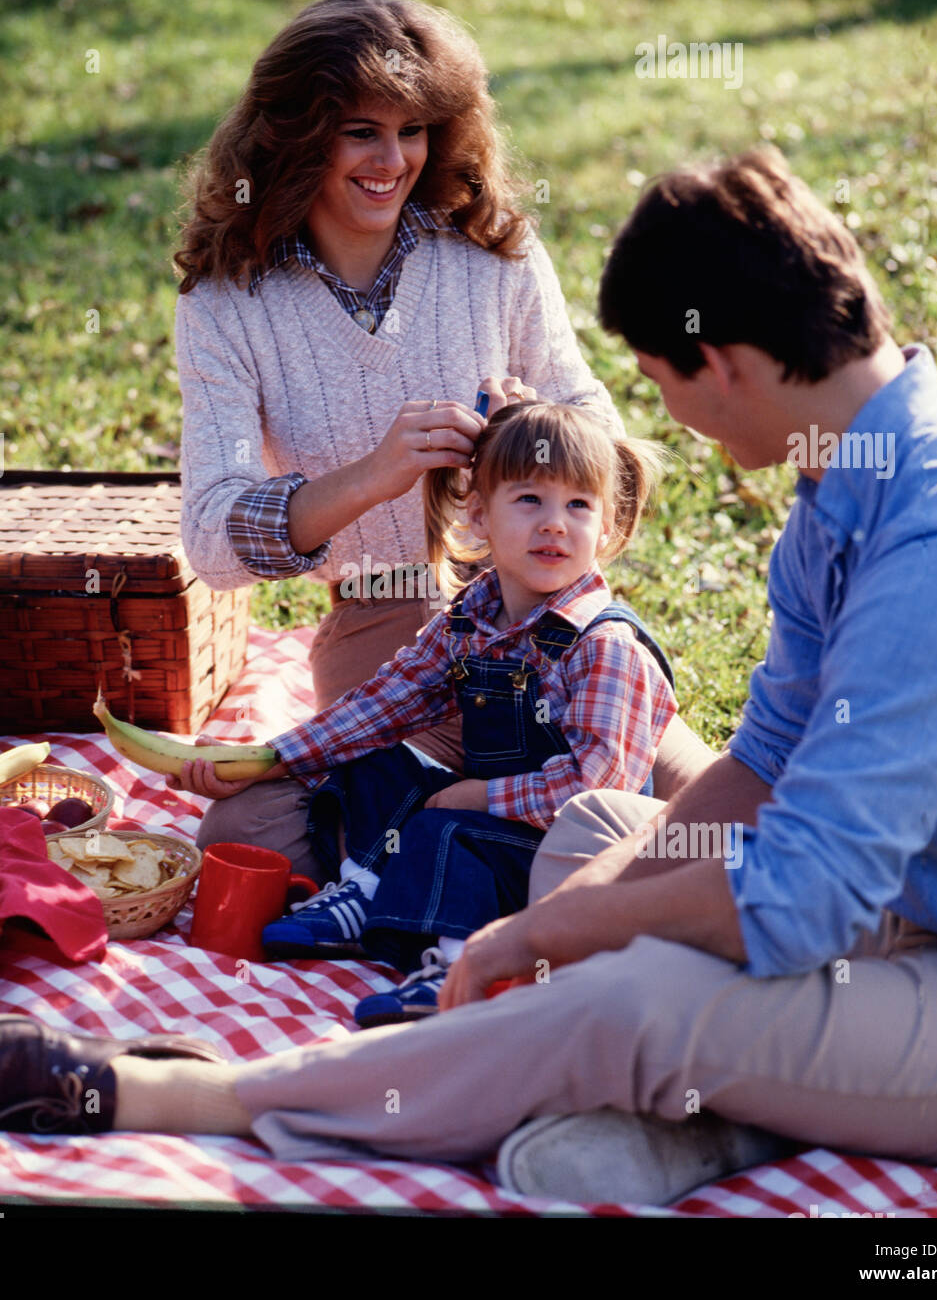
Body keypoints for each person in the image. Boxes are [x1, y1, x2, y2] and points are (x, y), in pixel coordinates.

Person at [0, 146, 937, 1209]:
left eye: (662, 382)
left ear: (726, 367)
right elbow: (758, 764)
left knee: (630, 994)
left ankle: (191, 1091)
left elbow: (798, 895)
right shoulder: (838, 488)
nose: (671, 419)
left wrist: (542, 938)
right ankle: (704, 1113)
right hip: (909, 920)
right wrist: (592, 903)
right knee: (605, 820)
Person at [171, 0, 713, 878]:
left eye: (415, 129)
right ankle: (555, 868)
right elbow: (213, 539)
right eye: (360, 133)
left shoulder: (492, 252)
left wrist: (536, 431)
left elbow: (605, 449)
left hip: (545, 616)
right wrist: (369, 476)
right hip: (385, 625)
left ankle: (586, 863)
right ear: (296, 137)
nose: (394, 160)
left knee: (709, 800)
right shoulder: (228, 302)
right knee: (247, 835)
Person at [226, 401, 676, 1028]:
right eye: (529, 500)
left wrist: (479, 797)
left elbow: (596, 792)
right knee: (376, 758)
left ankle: (459, 967)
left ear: (606, 528)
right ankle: (366, 889)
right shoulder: (472, 619)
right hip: (497, 828)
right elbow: (383, 703)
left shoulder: (603, 647)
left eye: (578, 506)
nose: (554, 525)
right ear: (479, 515)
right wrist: (272, 758)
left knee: (445, 829)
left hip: (563, 859)